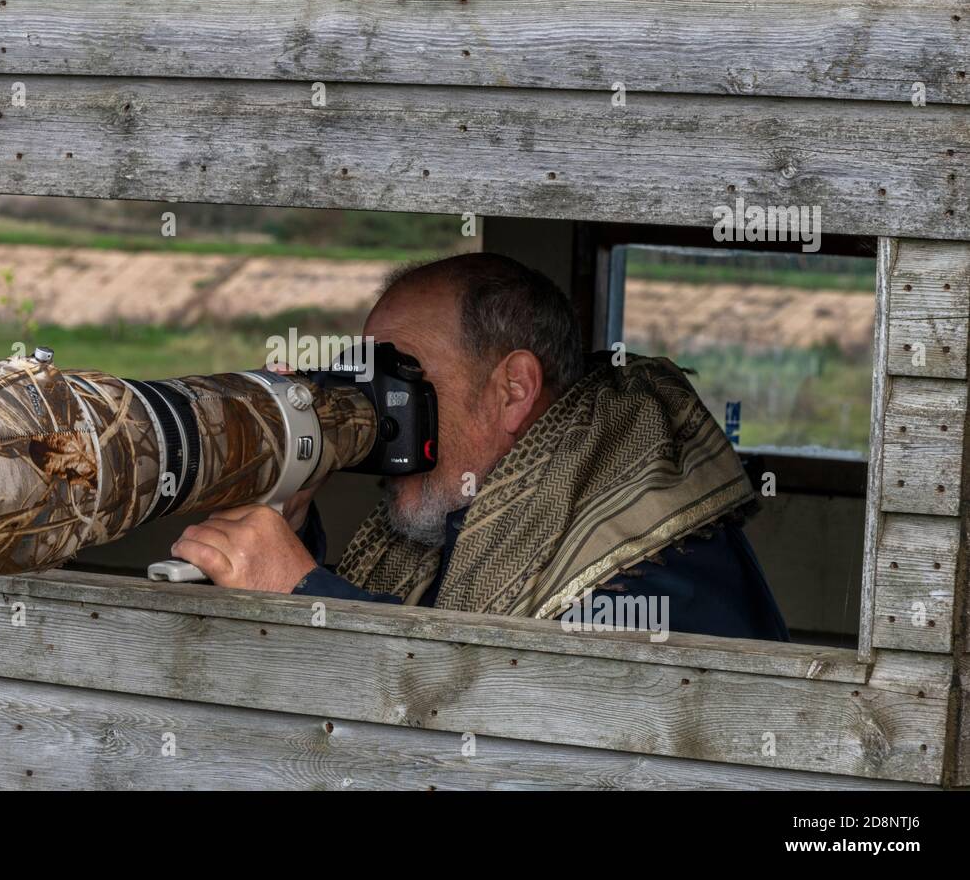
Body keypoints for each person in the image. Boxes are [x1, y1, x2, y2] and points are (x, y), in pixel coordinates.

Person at [170, 253, 788, 641]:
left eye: (403, 380)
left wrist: (307, 596)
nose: (380, 410)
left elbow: (512, 727)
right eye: (367, 377)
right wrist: (292, 515)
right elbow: (422, 625)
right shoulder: (481, 520)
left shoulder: (640, 561)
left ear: (513, 389)